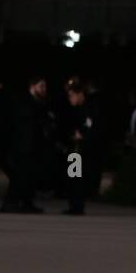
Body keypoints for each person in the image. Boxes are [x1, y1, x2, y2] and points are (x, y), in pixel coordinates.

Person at [0, 76, 50, 214]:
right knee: (19, 175)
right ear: (33, 86)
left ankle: (27, 202)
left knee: (30, 176)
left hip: (33, 146)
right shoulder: (24, 102)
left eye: (44, 87)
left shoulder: (38, 102)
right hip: (23, 145)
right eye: (41, 86)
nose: (44, 89)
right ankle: (11, 203)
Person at [58, 79, 94, 215]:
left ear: (80, 94)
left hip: (82, 148)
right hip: (74, 148)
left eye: (72, 95)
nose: (70, 98)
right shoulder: (76, 110)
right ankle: (74, 205)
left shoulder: (88, 108)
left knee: (77, 178)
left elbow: (91, 127)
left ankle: (77, 206)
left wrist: (82, 135)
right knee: (73, 177)